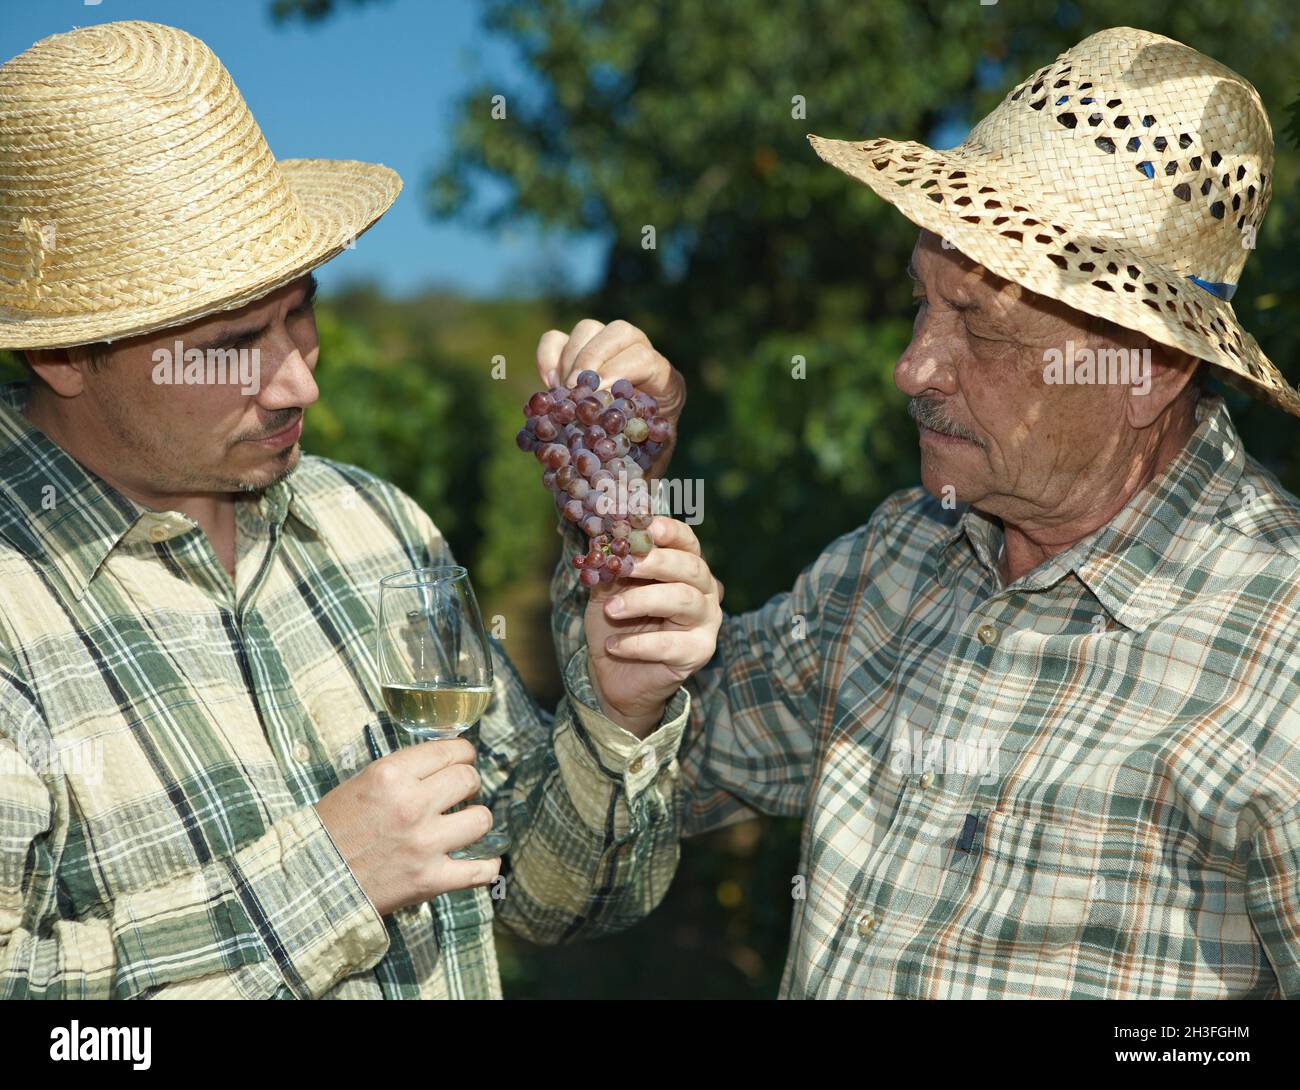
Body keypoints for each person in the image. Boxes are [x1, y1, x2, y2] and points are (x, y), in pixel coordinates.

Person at [550, 27, 1300, 998]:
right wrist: (615, 492)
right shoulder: (903, 556)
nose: (912, 367)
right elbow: (651, 792)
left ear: (1148, 367)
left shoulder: (1277, 655)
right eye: (921, 304)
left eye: (979, 324)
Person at [0, 21, 721, 999]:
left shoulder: (375, 529)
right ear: (64, 356)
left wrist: (619, 712)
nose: (300, 380)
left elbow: (548, 894)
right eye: (230, 344)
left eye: (300, 311)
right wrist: (320, 884)